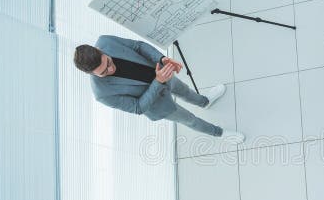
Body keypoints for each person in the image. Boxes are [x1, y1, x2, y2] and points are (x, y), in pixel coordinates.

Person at [74, 35, 244, 142]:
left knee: (185, 90)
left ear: (99, 49)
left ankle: (204, 102)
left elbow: (138, 46)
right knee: (190, 119)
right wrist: (158, 81)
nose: (111, 69)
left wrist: (162, 59)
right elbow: (138, 107)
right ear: (91, 74)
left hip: (162, 73)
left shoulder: (105, 41)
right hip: (157, 104)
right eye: (104, 72)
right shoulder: (102, 94)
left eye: (109, 62)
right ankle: (219, 133)